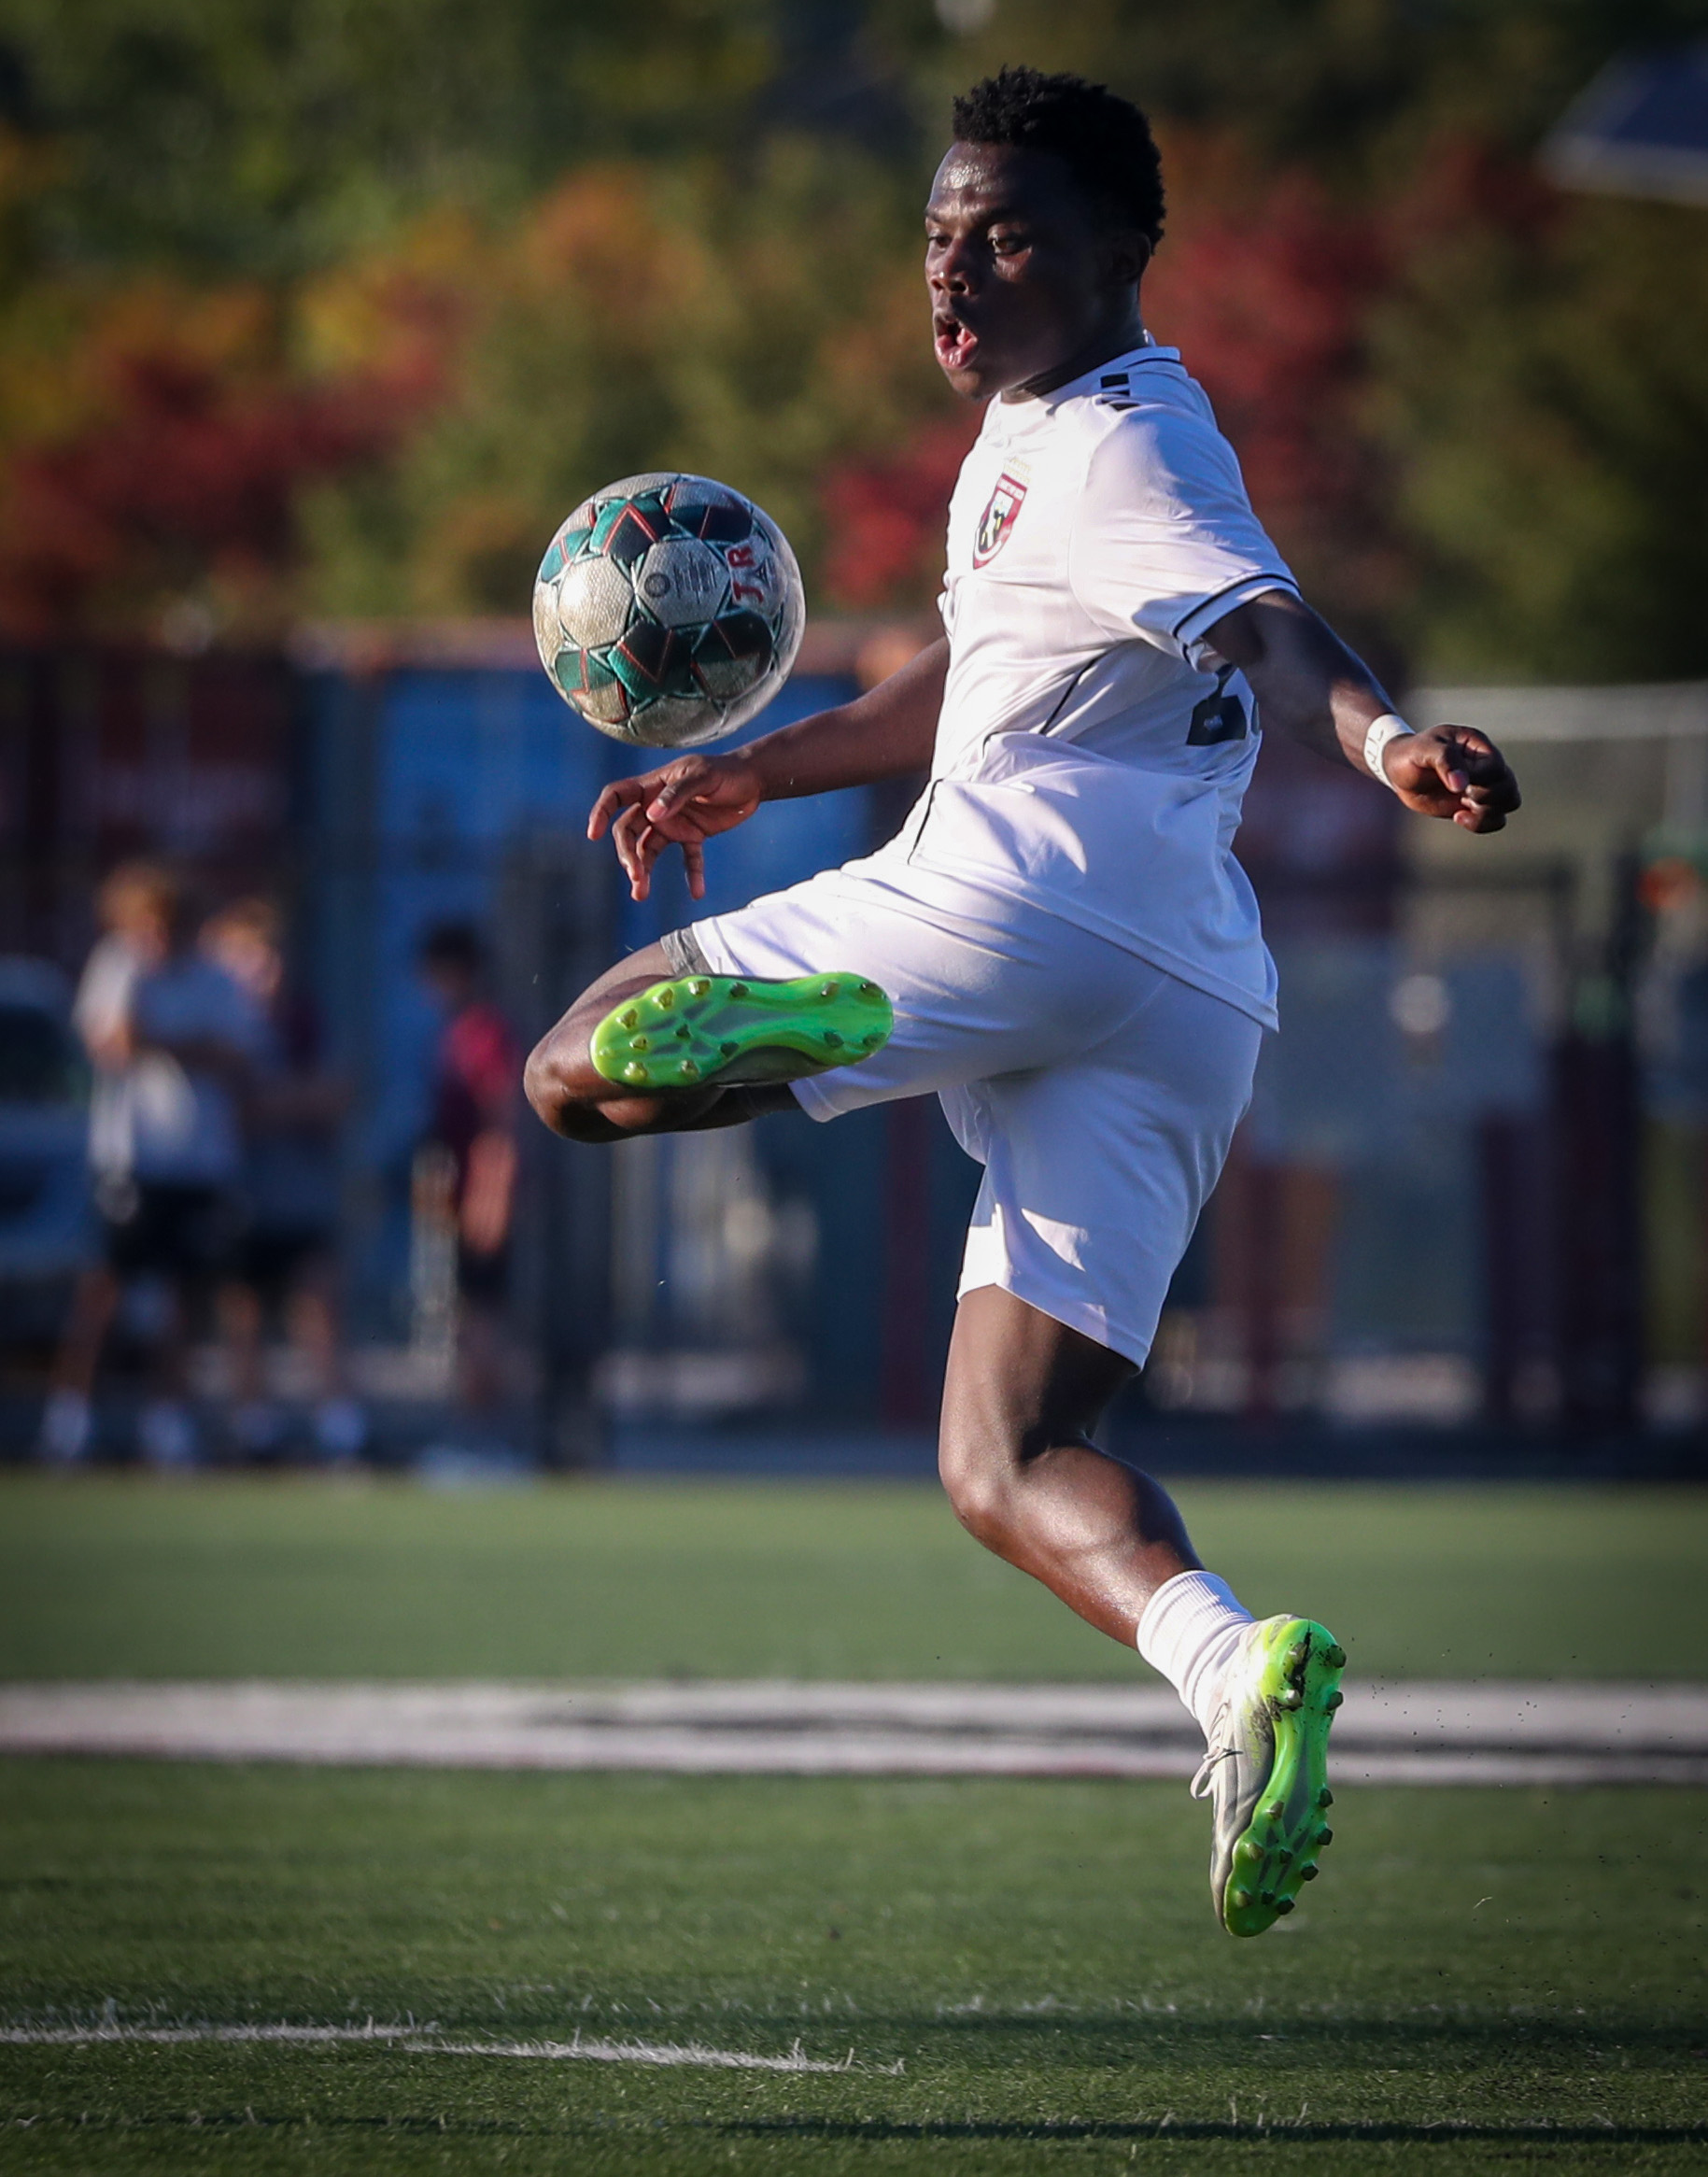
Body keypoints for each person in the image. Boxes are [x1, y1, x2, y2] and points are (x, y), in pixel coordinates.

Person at [524, 67, 1521, 1938]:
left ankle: (802, 1030)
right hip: (1181, 989)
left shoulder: (1125, 441)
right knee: (1000, 1456)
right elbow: (974, 662)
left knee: (573, 1071)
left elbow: (1262, 622)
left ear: (1118, 250)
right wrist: (769, 766)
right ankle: (1233, 1667)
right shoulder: (1035, 433)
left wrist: (1382, 737)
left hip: (1016, 900)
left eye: (1000, 238)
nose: (951, 271)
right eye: (936, 234)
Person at [39, 863, 263, 1468]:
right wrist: (176, 1040)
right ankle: (69, 1419)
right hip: (132, 1157)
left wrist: (160, 1041)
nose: (159, 938)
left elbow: (234, 1054)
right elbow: (112, 1043)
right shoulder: (121, 965)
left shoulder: (216, 977)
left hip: (200, 1161)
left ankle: (167, 1422)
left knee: (181, 1296)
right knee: (103, 1291)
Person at [201, 897, 364, 1463]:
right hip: (240, 1196)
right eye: (251, 957)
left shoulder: (304, 1023)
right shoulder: (221, 1029)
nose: (266, 970)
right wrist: (289, 1103)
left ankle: (341, 1430)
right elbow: (230, 1112)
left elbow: (336, 1095)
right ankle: (255, 1429)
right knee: (243, 1313)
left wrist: (274, 1103)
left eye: (273, 957)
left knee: (319, 1305)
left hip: (301, 1196)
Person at [417, 923, 521, 1417]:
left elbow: (501, 1122)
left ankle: (486, 1423)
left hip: (482, 1195)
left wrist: (490, 1198)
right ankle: (476, 1418)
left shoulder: (484, 1032)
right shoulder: (455, 1030)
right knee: (466, 1310)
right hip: (459, 1194)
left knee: (483, 1312)